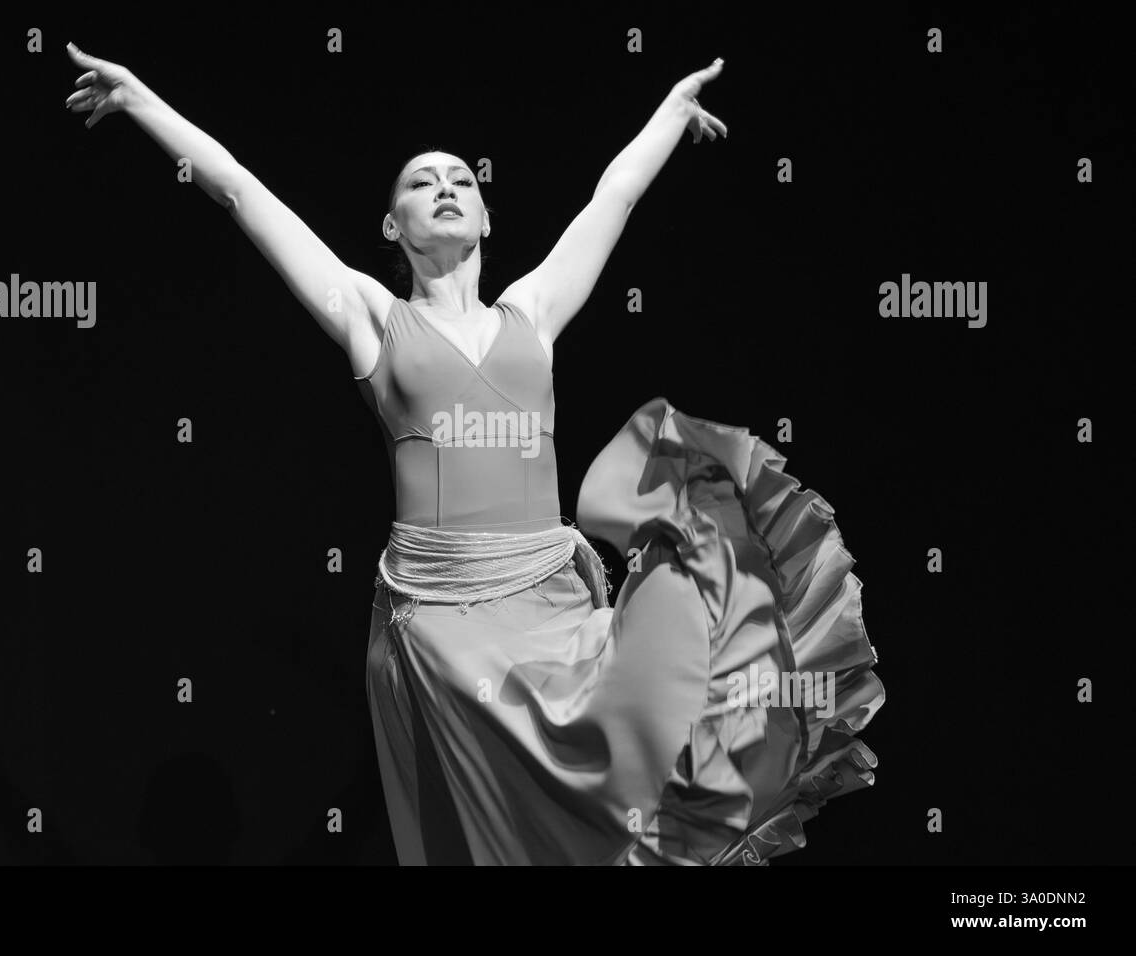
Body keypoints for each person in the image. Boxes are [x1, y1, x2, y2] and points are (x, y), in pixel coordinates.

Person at [65, 43, 884, 866]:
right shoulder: (372, 317)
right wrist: (141, 101)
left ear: (488, 218)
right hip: (443, 621)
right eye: (422, 182)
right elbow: (241, 189)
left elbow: (617, 196)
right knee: (499, 833)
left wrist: (671, 112)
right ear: (394, 226)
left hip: (547, 603)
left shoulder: (531, 311)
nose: (446, 188)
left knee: (666, 687)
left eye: (462, 179)